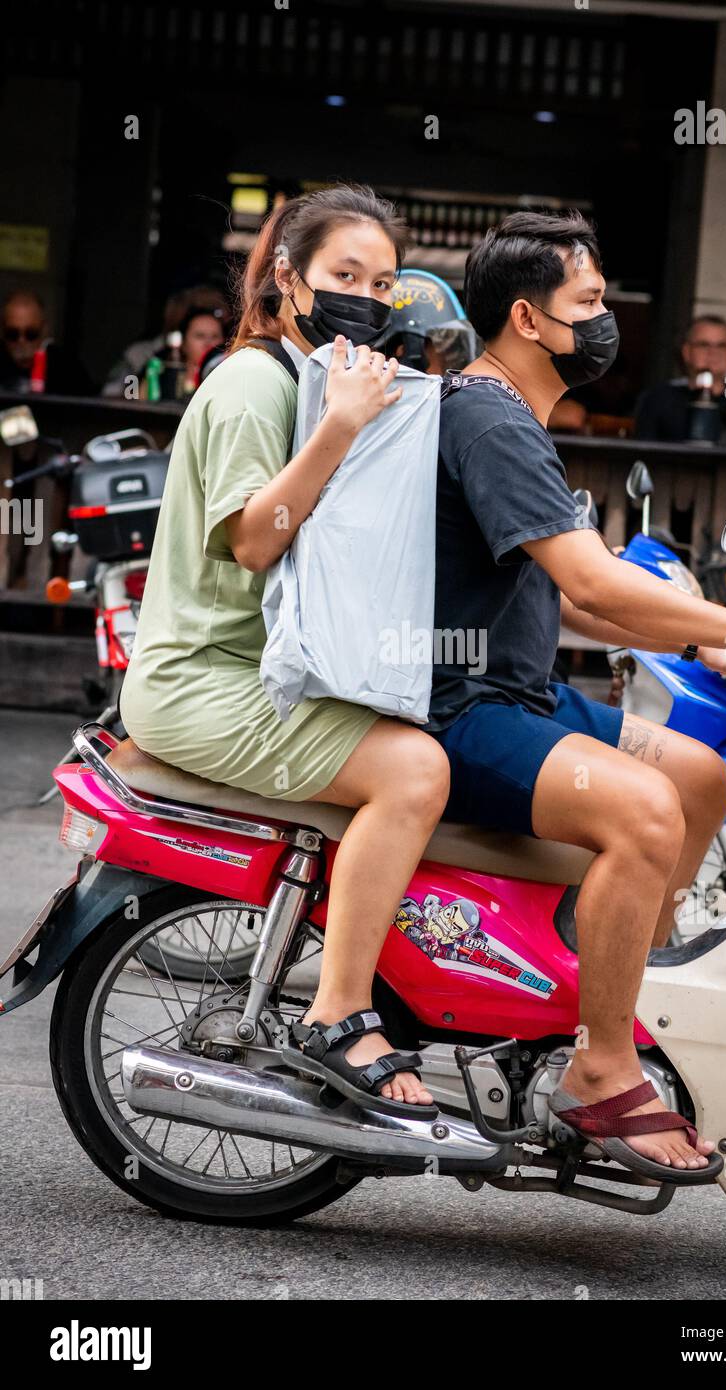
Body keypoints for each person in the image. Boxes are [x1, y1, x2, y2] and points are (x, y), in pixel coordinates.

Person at [424, 211, 726, 1180]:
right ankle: (600, 1064)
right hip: (459, 708)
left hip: (518, 691)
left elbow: (579, 600)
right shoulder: (490, 416)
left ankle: (617, 994)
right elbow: (592, 582)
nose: (605, 318)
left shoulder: (507, 413)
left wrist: (710, 637)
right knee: (649, 814)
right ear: (529, 319)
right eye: (589, 302)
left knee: (700, 776)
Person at [120, 184, 451, 1109]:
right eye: (344, 275)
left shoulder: (318, 380)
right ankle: (337, 1013)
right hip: (201, 678)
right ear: (285, 278)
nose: (367, 298)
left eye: (384, 284)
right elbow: (257, 538)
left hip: (269, 669)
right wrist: (345, 425)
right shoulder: (254, 384)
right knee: (413, 773)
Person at [635, 314, 726, 448]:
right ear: (687, 352)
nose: (713, 352)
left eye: (721, 346)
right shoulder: (658, 399)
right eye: (704, 345)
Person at [101, 284, 231, 397]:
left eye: (215, 336)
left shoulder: (230, 372)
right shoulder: (157, 365)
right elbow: (126, 398)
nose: (208, 343)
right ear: (183, 342)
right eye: (199, 336)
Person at [0, 290, 95, 395]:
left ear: (44, 330)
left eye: (31, 334)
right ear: (2, 331)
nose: (22, 341)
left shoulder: (66, 366)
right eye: (12, 334)